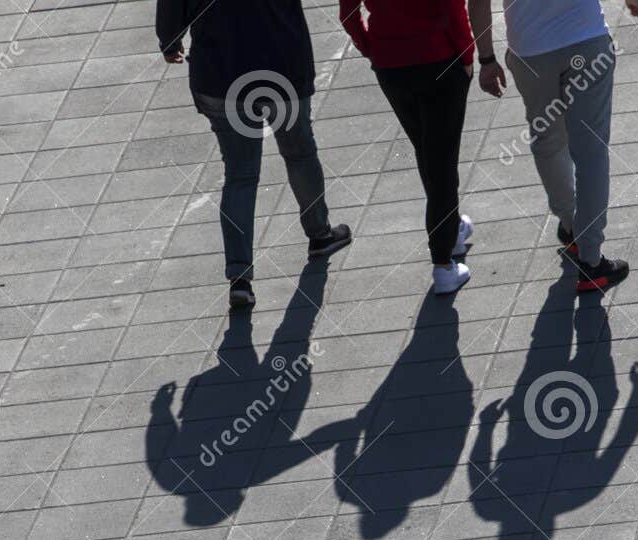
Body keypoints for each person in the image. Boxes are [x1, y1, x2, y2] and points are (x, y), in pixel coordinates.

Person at [158, 0, 352, 310]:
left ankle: (240, 279)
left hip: (221, 77)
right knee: (299, 154)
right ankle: (319, 235)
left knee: (240, 175)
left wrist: (169, 41)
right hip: (282, 67)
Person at [468, 0, 638, 292]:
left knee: (547, 141)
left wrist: (487, 59)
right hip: (586, 39)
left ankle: (569, 225)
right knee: (591, 153)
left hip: (530, 51)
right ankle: (592, 261)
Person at [340, 0, 477, 295]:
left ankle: (449, 227)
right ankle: (443, 262)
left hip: (391, 64)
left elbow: (348, 14)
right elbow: (452, 7)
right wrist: (467, 54)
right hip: (439, 58)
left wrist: (372, 48)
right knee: (442, 158)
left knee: (427, 150)